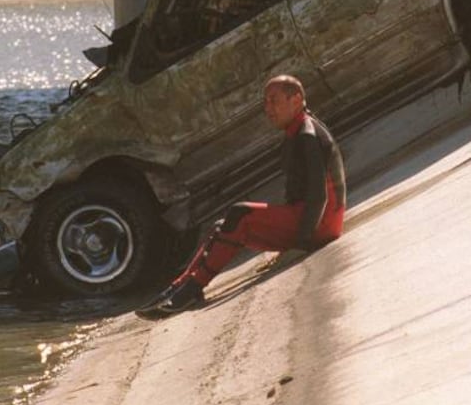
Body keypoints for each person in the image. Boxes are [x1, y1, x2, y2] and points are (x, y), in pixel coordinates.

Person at [136, 75, 346, 315]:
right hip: (312, 220)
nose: (268, 109)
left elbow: (319, 195)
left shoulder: (307, 135)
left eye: (274, 101)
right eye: (265, 102)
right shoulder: (297, 130)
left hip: (320, 224)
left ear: (296, 99)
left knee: (239, 213)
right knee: (221, 226)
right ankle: (180, 286)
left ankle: (192, 289)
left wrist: (300, 242)